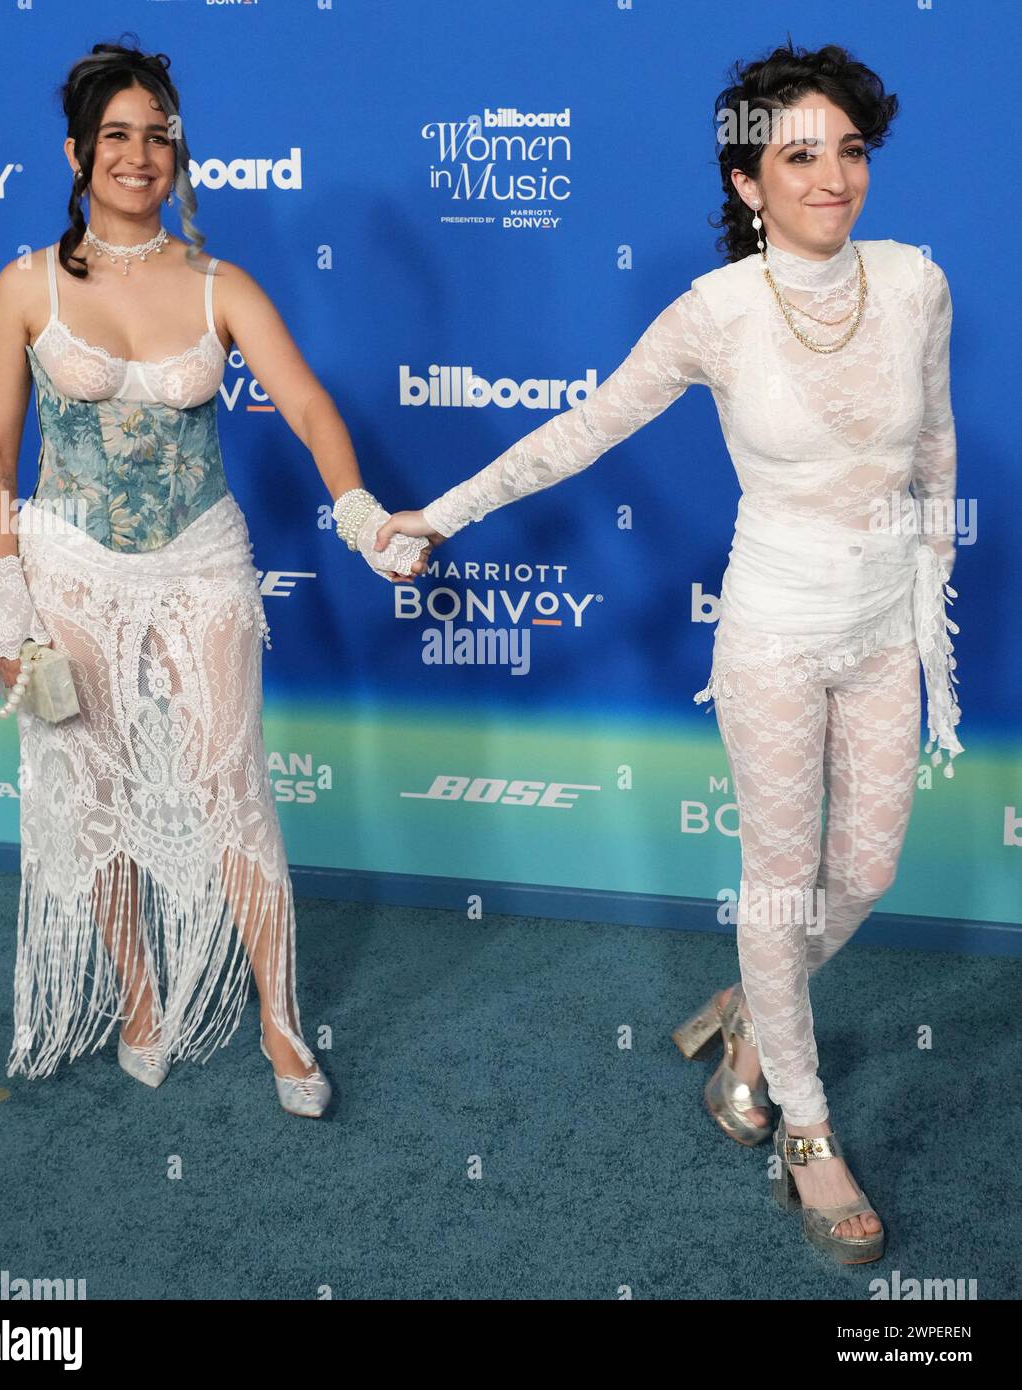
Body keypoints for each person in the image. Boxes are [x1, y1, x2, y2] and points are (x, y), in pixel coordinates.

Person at [374, 42, 962, 1262]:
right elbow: (580, 433)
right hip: (772, 630)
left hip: (880, 628)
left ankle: (753, 1013)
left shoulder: (911, 283)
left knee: (863, 873)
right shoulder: (717, 312)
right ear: (747, 181)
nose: (832, 177)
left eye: (848, 150)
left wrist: (923, 602)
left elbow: (935, 455)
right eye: (798, 154)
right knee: (779, 880)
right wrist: (437, 514)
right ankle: (799, 1125)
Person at [0, 41, 429, 1118]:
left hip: (203, 563)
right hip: (70, 568)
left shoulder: (221, 283)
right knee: (100, 788)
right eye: (119, 135)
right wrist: (8, 583)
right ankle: (139, 997)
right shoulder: (24, 285)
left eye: (161, 134)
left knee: (233, 790)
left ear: (181, 151)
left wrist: (357, 508)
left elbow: (310, 406)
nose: (142, 155)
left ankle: (278, 1015)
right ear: (78, 152)